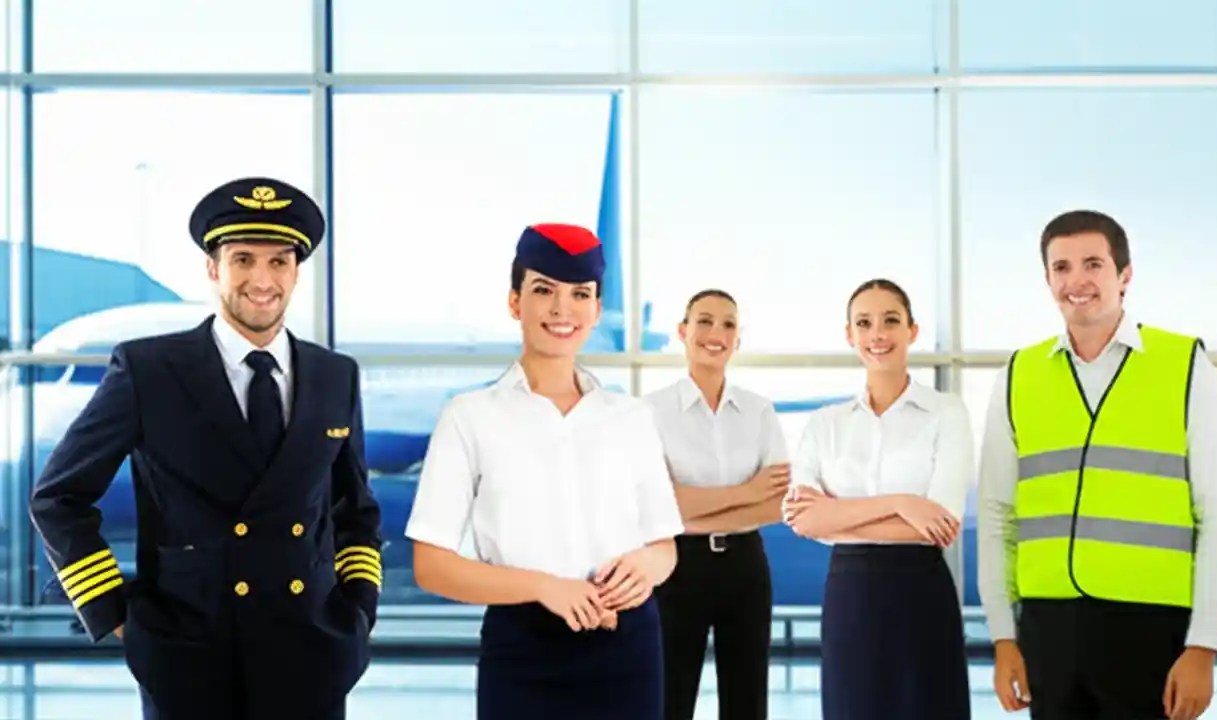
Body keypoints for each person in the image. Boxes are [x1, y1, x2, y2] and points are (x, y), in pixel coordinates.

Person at [27, 178, 382, 719]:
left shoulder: (336, 376)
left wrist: (358, 611)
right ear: (213, 268)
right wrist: (116, 614)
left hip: (311, 656)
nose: (261, 280)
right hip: (189, 658)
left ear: (296, 272)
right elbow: (58, 497)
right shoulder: (149, 369)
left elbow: (353, 510)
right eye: (243, 259)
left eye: (279, 262)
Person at [404, 223, 686, 720]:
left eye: (580, 294)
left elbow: (664, 546)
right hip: (522, 650)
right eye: (543, 290)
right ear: (515, 302)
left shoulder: (631, 417)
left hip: (628, 646)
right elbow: (431, 565)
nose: (562, 309)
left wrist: (646, 569)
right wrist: (545, 587)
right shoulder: (470, 416)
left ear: (597, 310)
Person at [978, 209, 1217, 720]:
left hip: (1151, 627)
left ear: (1124, 275)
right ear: (1048, 279)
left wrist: (1204, 645)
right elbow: (995, 516)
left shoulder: (1184, 363)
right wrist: (1003, 637)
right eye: (1061, 268)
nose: (1076, 281)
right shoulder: (1019, 372)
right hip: (1048, 629)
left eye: (1093, 264)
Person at [784, 278, 973, 720]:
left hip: (921, 592)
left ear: (912, 330)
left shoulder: (947, 413)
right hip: (849, 595)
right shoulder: (826, 424)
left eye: (891, 320)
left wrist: (837, 516)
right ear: (849, 335)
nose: (878, 334)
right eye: (864, 323)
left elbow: (941, 525)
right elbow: (804, 521)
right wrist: (903, 502)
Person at [643, 289, 789, 720]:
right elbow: (655, 504)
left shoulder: (759, 411)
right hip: (675, 568)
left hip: (745, 568)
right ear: (682, 331)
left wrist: (691, 506)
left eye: (728, 324)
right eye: (704, 321)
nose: (715, 333)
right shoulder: (650, 412)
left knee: (747, 702)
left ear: (737, 339)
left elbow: (778, 503)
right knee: (669, 697)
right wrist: (745, 492)